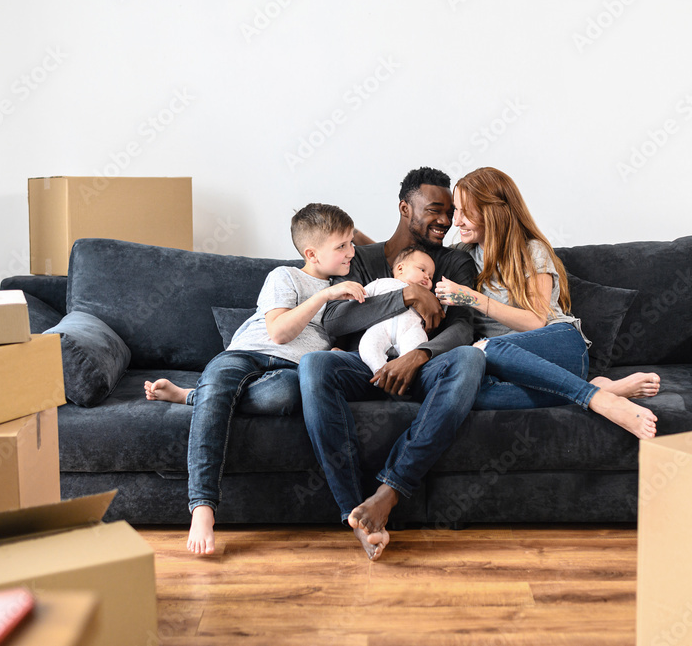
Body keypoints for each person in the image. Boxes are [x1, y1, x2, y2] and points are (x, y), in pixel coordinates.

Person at [147, 203, 367, 555]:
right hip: (245, 352)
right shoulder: (286, 276)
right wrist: (324, 294)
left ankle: (195, 396)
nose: (351, 252)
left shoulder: (350, 287)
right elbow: (279, 332)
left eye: (352, 243)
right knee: (220, 383)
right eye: (341, 246)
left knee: (284, 397)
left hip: (289, 371)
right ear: (311, 254)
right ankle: (202, 507)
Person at [299, 167, 486, 561]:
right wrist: (406, 297)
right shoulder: (360, 258)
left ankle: (388, 494)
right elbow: (335, 321)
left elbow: (463, 329)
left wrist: (418, 356)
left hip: (428, 368)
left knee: (469, 359)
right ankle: (356, 515)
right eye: (435, 209)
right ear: (405, 208)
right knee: (315, 366)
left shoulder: (454, 263)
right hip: (364, 366)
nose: (446, 221)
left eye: (449, 212)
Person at [434, 166, 660, 439]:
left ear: (494, 212)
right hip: (510, 368)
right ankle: (600, 391)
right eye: (455, 211)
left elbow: (536, 320)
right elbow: (408, 264)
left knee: (483, 350)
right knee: (471, 392)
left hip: (558, 346)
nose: (455, 222)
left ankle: (607, 403)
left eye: (465, 211)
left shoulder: (532, 251)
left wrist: (474, 298)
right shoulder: (461, 256)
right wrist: (366, 253)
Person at [358, 246, 435, 374]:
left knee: (417, 344)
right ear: (400, 268)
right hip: (380, 328)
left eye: (431, 277)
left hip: (410, 330)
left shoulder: (426, 297)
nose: (427, 277)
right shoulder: (383, 283)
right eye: (422, 269)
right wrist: (355, 293)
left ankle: (404, 372)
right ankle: (379, 371)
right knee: (368, 346)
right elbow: (363, 294)